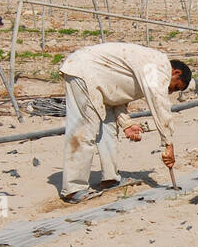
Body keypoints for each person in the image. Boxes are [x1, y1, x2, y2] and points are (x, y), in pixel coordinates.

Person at [58, 42, 190, 202]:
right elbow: (159, 103)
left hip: (97, 79)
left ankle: (110, 179)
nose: (169, 92)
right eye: (174, 87)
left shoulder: (148, 69)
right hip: (84, 72)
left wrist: (126, 123)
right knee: (84, 130)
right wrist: (168, 143)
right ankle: (74, 189)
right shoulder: (158, 67)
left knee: (109, 128)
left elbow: (116, 95)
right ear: (175, 72)